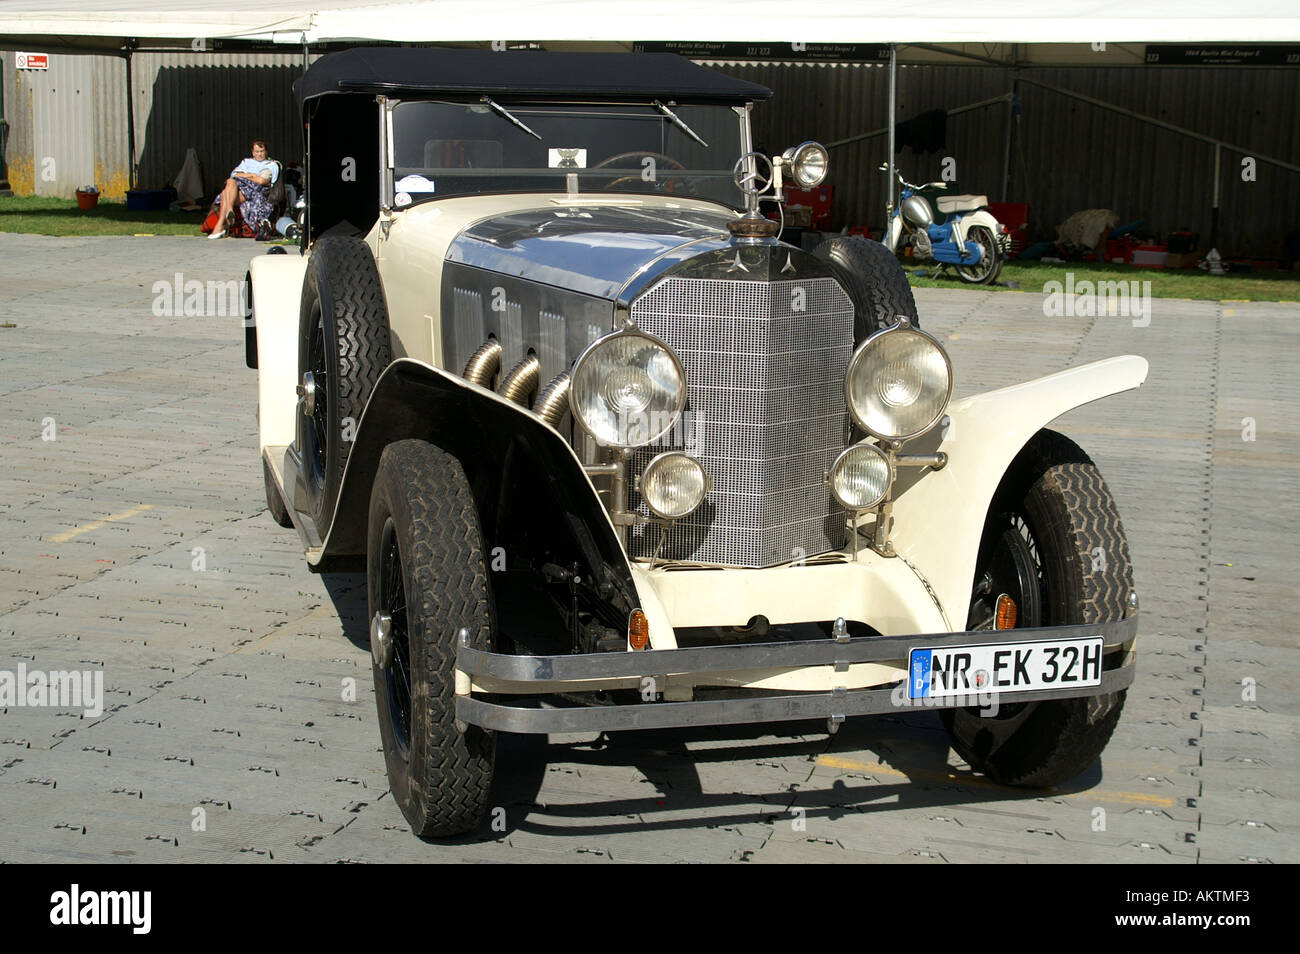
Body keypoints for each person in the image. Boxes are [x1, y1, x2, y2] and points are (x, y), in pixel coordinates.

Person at [207, 140, 279, 239]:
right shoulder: (246, 162)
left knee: (225, 193)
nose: (259, 154)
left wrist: (245, 175)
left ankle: (220, 227)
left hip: (256, 191)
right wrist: (252, 175)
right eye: (257, 152)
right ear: (253, 152)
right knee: (230, 181)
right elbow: (234, 174)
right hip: (240, 189)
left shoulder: (271, 164)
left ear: (266, 152)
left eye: (261, 151)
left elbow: (262, 181)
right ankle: (229, 211)